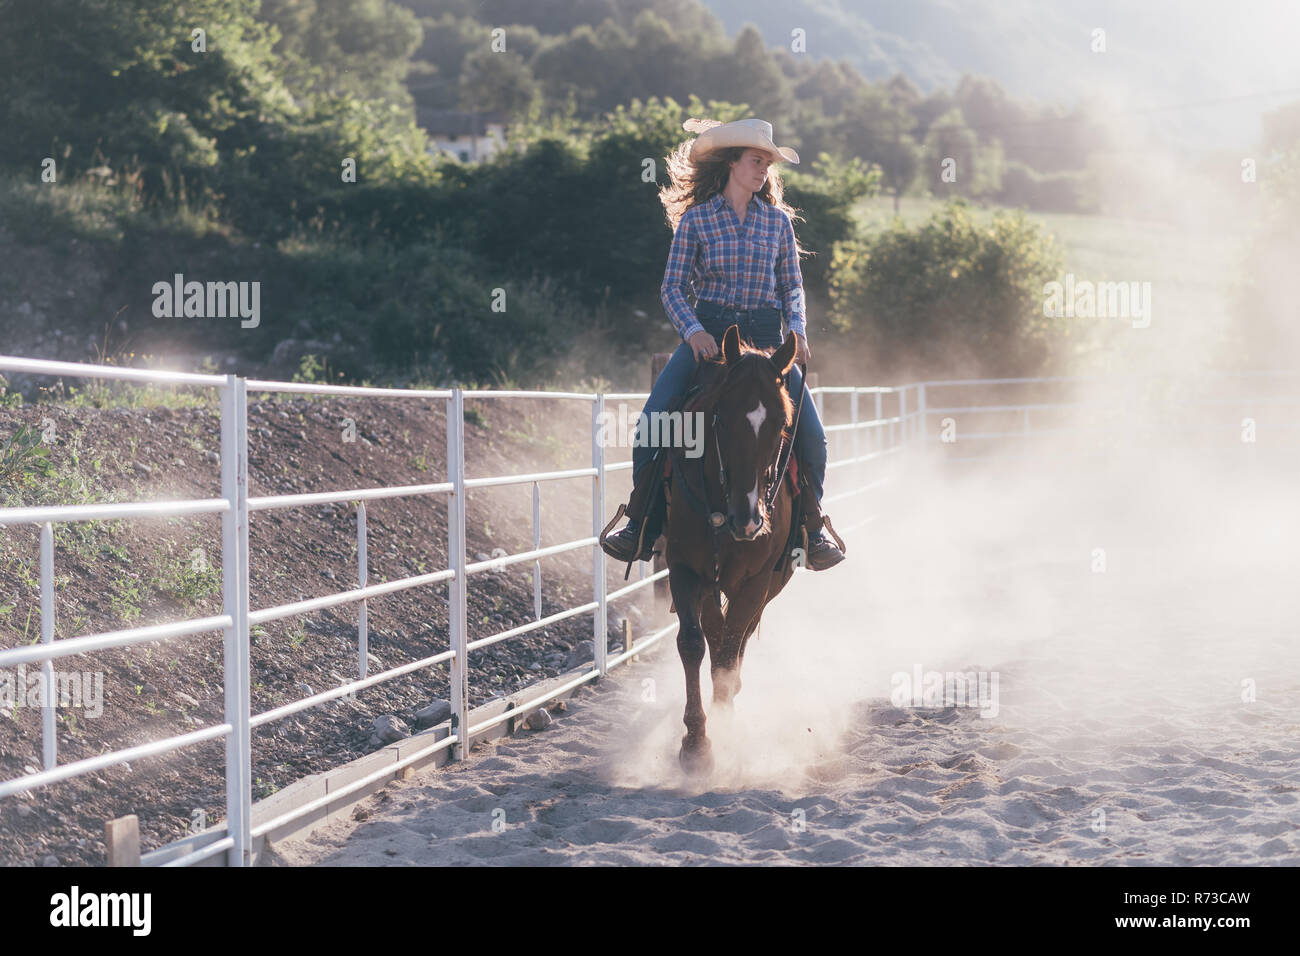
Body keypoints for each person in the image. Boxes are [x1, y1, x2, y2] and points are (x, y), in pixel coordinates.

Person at [602, 117, 845, 571]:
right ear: (733, 163)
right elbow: (673, 288)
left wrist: (798, 331)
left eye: (768, 164)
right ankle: (641, 523)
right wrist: (693, 332)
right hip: (709, 339)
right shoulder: (696, 221)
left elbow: (792, 286)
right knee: (653, 424)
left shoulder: (778, 224)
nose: (763, 171)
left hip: (770, 345)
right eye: (757, 161)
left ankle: (812, 530)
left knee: (813, 438)